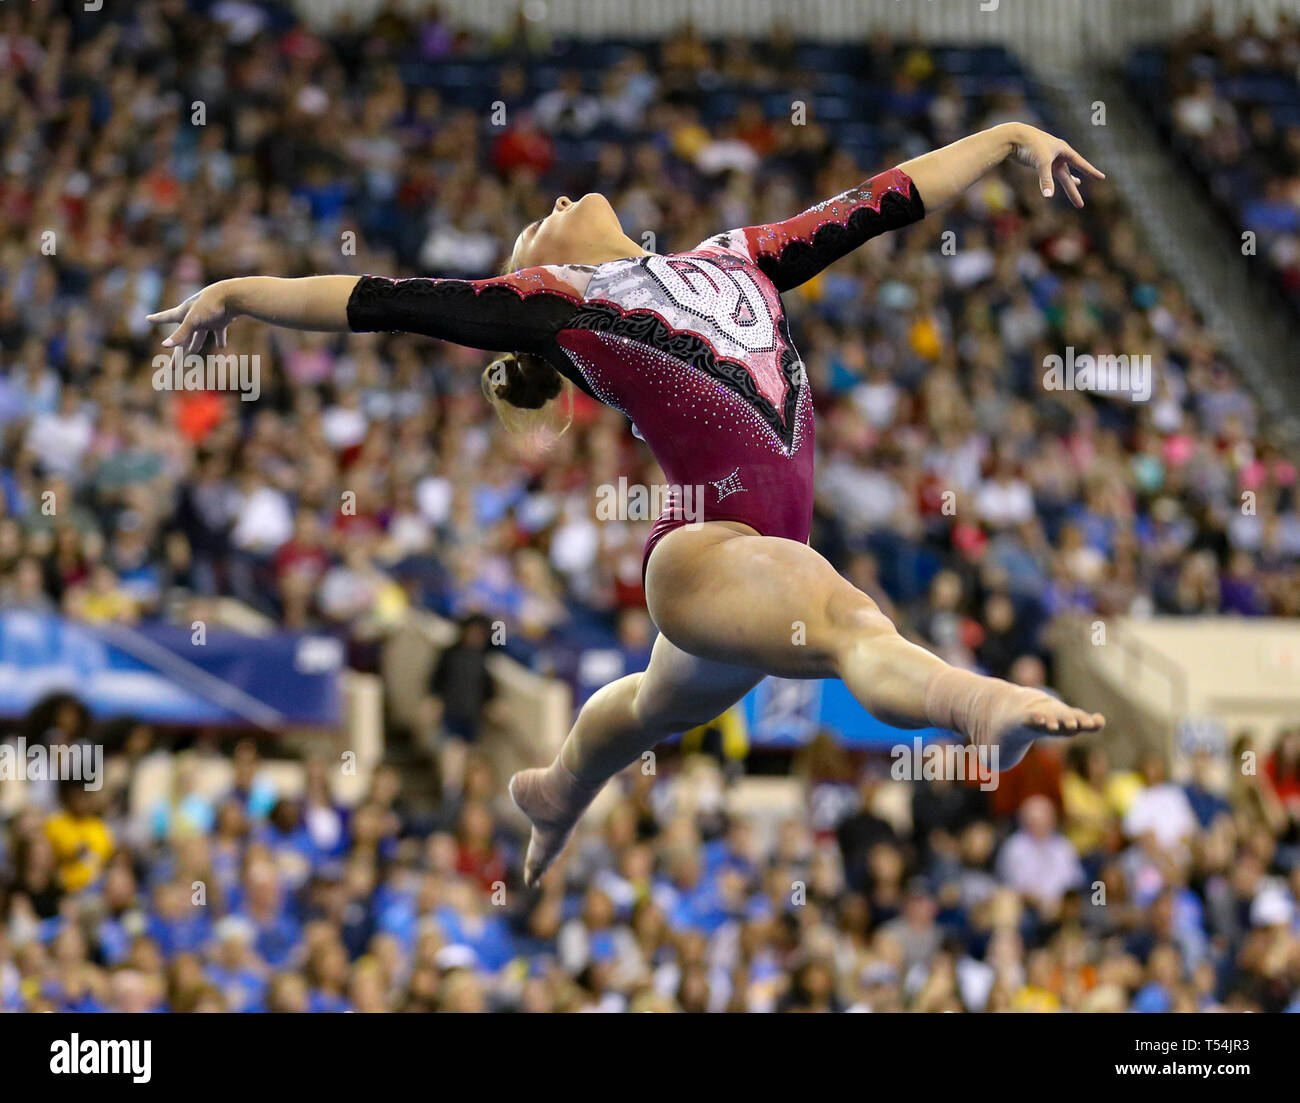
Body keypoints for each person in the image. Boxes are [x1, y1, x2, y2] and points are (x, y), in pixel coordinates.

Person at [148, 121, 1107, 887]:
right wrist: (238, 292)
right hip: (708, 550)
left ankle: (557, 790)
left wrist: (1008, 138)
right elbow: (375, 299)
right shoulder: (557, 303)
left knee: (651, 706)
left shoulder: (739, 255)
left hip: (751, 576)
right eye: (536, 221)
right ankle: (978, 704)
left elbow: (883, 199)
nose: (557, 202)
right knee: (851, 622)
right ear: (526, 267)